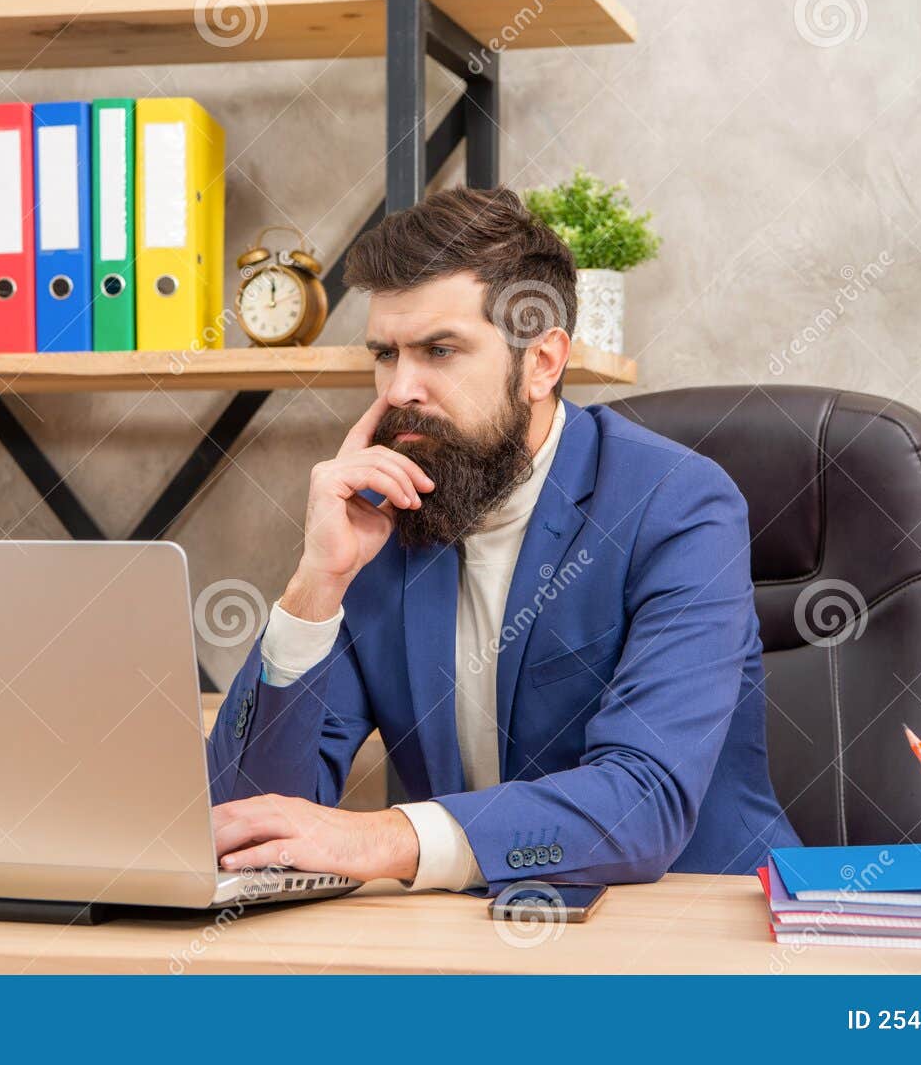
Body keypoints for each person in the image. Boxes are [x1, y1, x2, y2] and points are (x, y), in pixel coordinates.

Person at [206, 185, 801, 892]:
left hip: (695, 924)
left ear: (542, 362)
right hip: (478, 931)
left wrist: (385, 836)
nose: (399, 390)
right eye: (386, 354)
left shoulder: (677, 506)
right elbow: (241, 822)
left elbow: (643, 802)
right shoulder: (382, 516)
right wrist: (315, 586)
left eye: (439, 350)